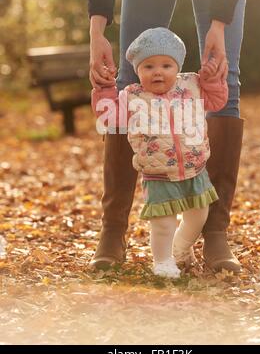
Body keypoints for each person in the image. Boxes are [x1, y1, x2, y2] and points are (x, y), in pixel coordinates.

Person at [85, 0, 257, 272]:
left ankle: (215, 232)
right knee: (130, 78)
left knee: (221, 73)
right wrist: (97, 30)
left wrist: (219, 24)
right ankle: (112, 230)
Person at [92, 27, 228, 278]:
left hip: (194, 169)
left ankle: (181, 247)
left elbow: (218, 101)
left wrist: (211, 80)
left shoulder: (192, 86)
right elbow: (109, 118)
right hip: (158, 173)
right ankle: (163, 261)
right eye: (149, 66)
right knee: (163, 223)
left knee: (198, 215)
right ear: (138, 71)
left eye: (166, 65)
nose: (158, 72)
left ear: (177, 68)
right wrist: (104, 90)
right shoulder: (132, 97)